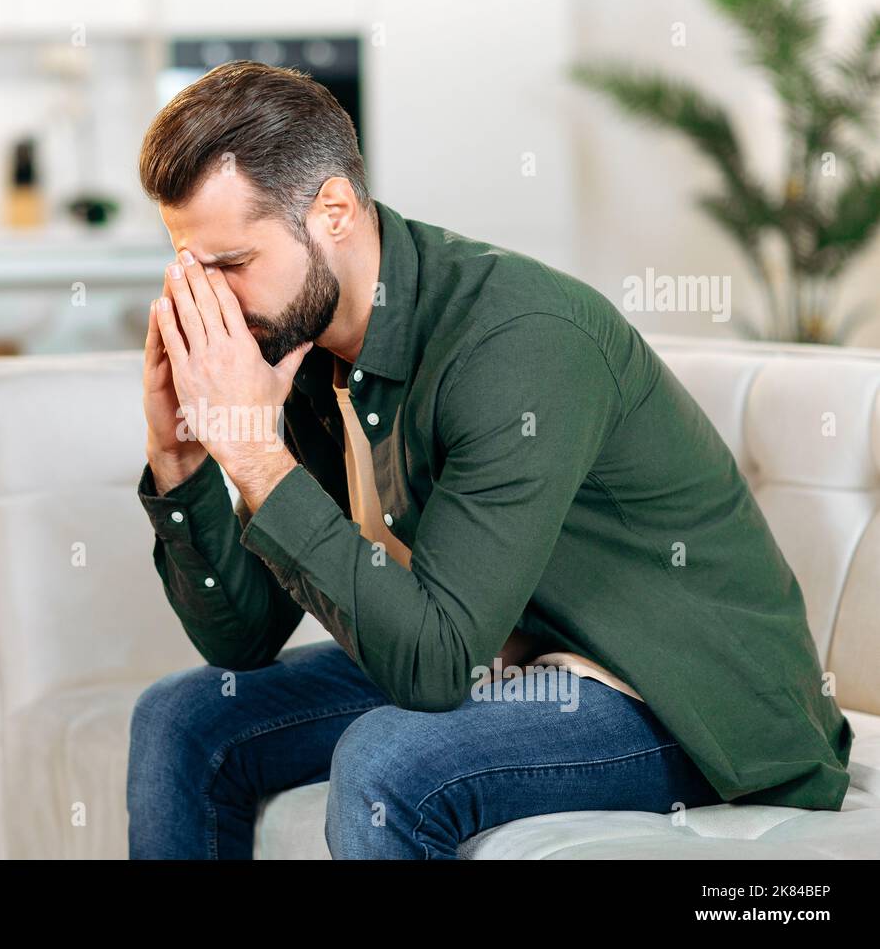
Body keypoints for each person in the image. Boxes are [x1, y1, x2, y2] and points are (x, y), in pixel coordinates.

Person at [126, 60, 852, 859]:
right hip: (498, 659)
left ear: (331, 209)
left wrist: (259, 459)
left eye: (231, 266)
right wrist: (181, 459)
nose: (215, 306)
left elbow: (433, 669)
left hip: (679, 694)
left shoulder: (518, 340)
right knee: (186, 720)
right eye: (195, 271)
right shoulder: (297, 344)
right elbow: (245, 639)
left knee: (389, 758)